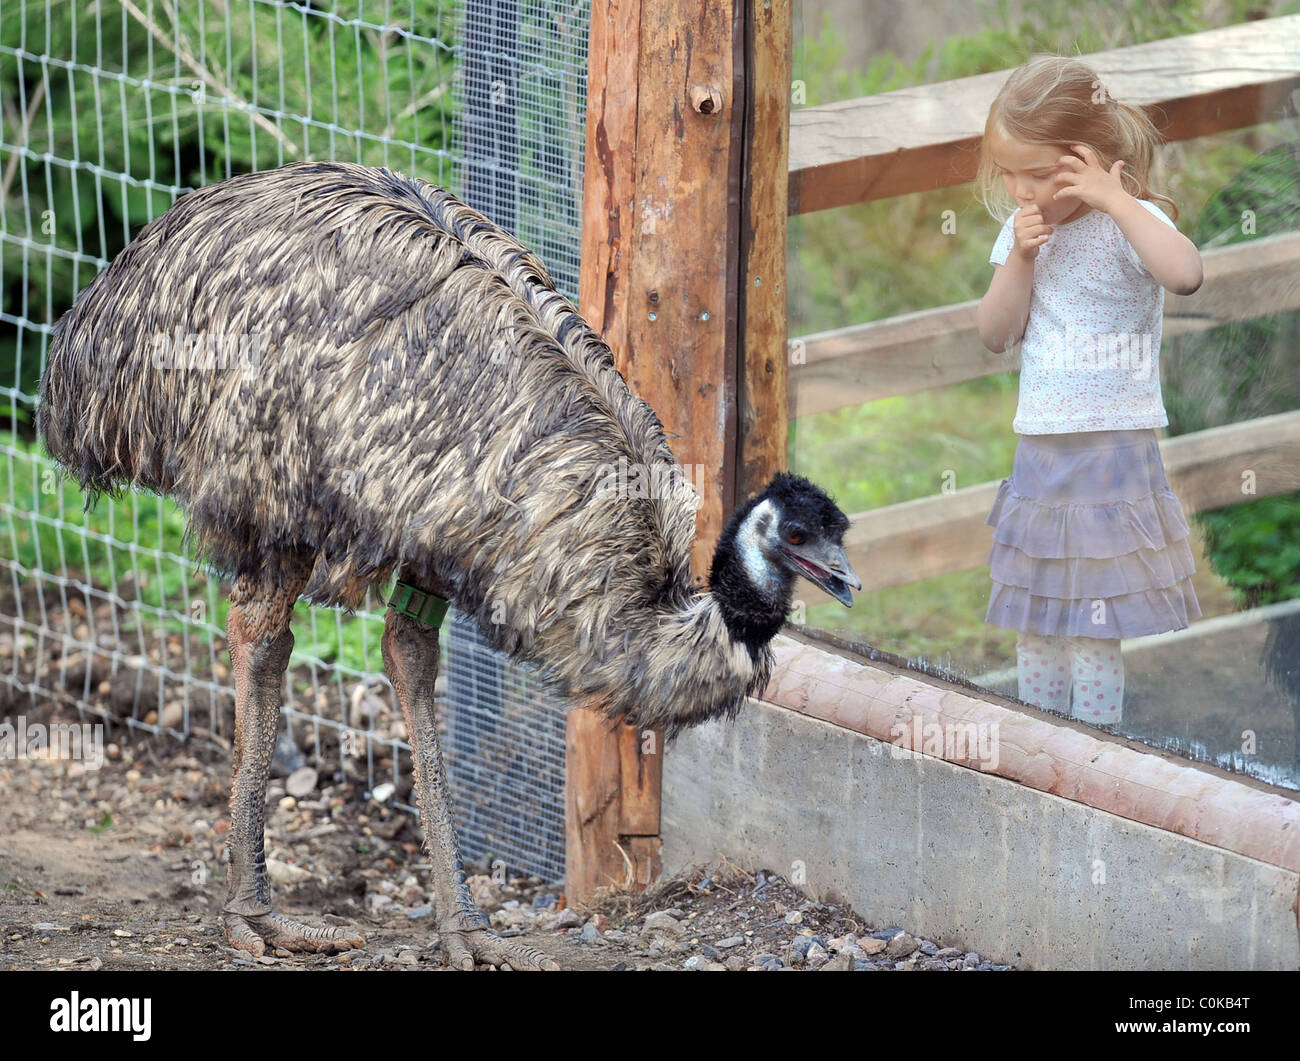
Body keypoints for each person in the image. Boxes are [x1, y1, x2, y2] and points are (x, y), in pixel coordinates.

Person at [974, 55, 1204, 724]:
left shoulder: (1129, 224)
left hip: (1112, 451)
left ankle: (1096, 747)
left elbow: (1185, 272)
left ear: (1089, 155)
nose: (1021, 189)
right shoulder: (1023, 234)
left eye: (1039, 173)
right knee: (1039, 619)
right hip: (1043, 452)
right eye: (1009, 172)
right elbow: (995, 332)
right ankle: (1041, 739)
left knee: (1091, 625)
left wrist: (1115, 198)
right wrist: (1019, 257)